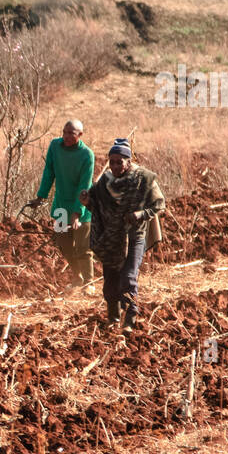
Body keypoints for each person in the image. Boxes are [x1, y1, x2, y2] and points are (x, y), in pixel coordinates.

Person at [79, 138, 165, 333]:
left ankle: (131, 317)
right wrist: (86, 201)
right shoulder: (106, 182)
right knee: (110, 280)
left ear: (128, 161)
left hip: (135, 236)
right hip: (112, 238)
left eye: (120, 162)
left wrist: (140, 214)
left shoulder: (143, 179)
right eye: (112, 161)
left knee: (128, 277)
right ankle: (113, 316)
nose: (115, 166)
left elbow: (159, 204)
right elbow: (99, 208)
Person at [29, 119, 95, 293]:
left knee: (83, 247)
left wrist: (76, 213)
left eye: (70, 134)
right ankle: (76, 277)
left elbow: (84, 185)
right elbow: (49, 172)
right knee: (63, 243)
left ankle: (89, 282)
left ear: (80, 135)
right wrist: (40, 197)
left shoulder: (87, 155)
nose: (65, 136)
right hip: (60, 206)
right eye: (64, 132)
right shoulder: (55, 146)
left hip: (81, 208)